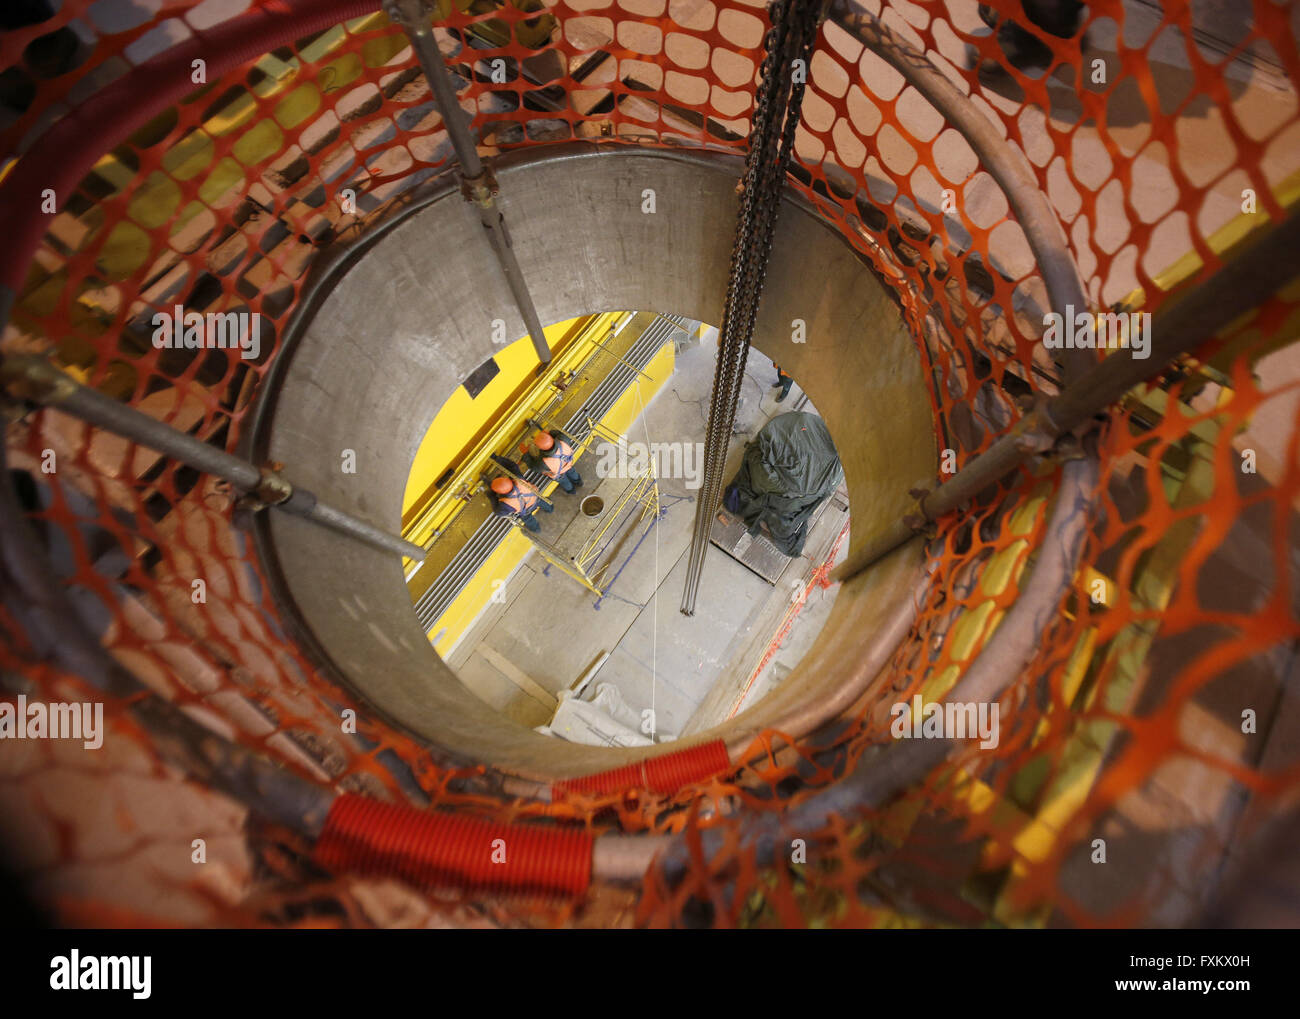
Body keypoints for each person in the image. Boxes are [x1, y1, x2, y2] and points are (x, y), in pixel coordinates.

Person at [523, 430, 583, 494]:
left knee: (564, 482)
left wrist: (526, 454)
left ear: (540, 449)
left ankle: (571, 490)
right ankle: (579, 482)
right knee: (573, 473)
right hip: (568, 464)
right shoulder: (563, 440)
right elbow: (558, 433)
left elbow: (532, 466)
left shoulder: (543, 463)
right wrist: (549, 433)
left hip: (559, 475)